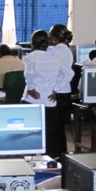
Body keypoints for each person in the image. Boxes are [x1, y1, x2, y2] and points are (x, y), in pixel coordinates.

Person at [24, 30, 65, 158]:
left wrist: (30, 88)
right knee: (49, 136)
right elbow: (69, 73)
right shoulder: (54, 58)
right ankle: (50, 163)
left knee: (29, 134)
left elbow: (29, 74)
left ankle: (30, 160)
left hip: (32, 100)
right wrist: (56, 89)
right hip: (50, 102)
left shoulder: (29, 57)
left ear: (32, 43)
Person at [47, 24, 75, 158]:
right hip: (63, 92)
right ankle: (61, 156)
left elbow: (67, 73)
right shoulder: (64, 49)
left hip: (60, 93)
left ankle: (56, 156)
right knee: (58, 129)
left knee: (54, 128)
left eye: (50, 34)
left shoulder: (59, 51)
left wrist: (55, 90)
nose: (48, 37)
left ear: (55, 37)